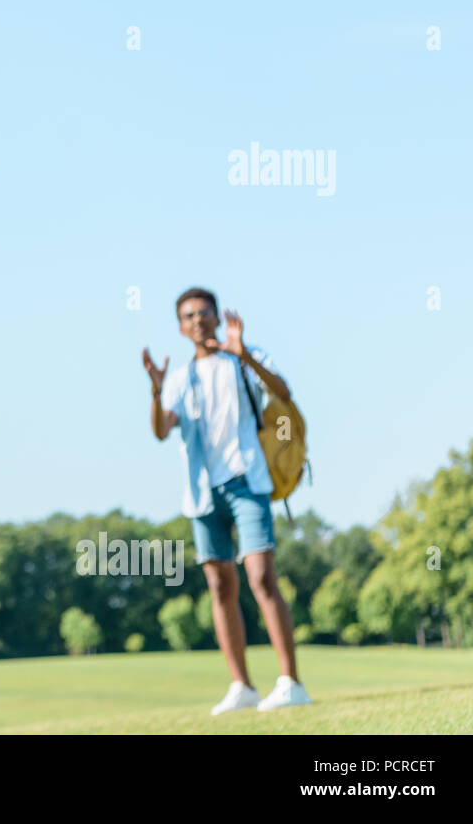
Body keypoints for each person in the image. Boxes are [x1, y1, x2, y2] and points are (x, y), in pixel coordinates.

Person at [142, 287, 312, 714]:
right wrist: (156, 392)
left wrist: (244, 355)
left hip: (247, 480)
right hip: (202, 493)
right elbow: (162, 430)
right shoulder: (180, 379)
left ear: (217, 317)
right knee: (219, 585)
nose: (198, 320)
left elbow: (284, 393)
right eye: (188, 315)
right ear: (181, 327)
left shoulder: (244, 356)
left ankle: (291, 682)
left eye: (204, 312)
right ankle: (242, 686)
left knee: (260, 577)